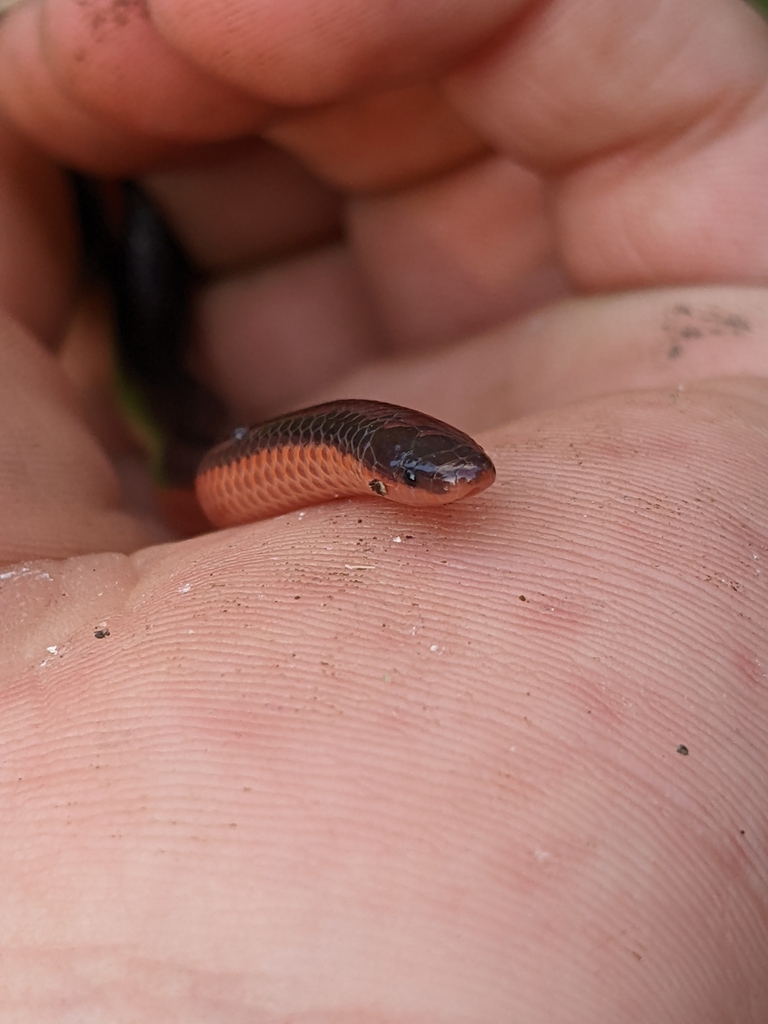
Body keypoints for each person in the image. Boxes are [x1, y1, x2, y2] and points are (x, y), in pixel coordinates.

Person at [0, 0, 766, 1017]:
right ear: (377, 471)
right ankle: (130, 230)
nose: (456, 494)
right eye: (425, 480)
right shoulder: (280, 455)